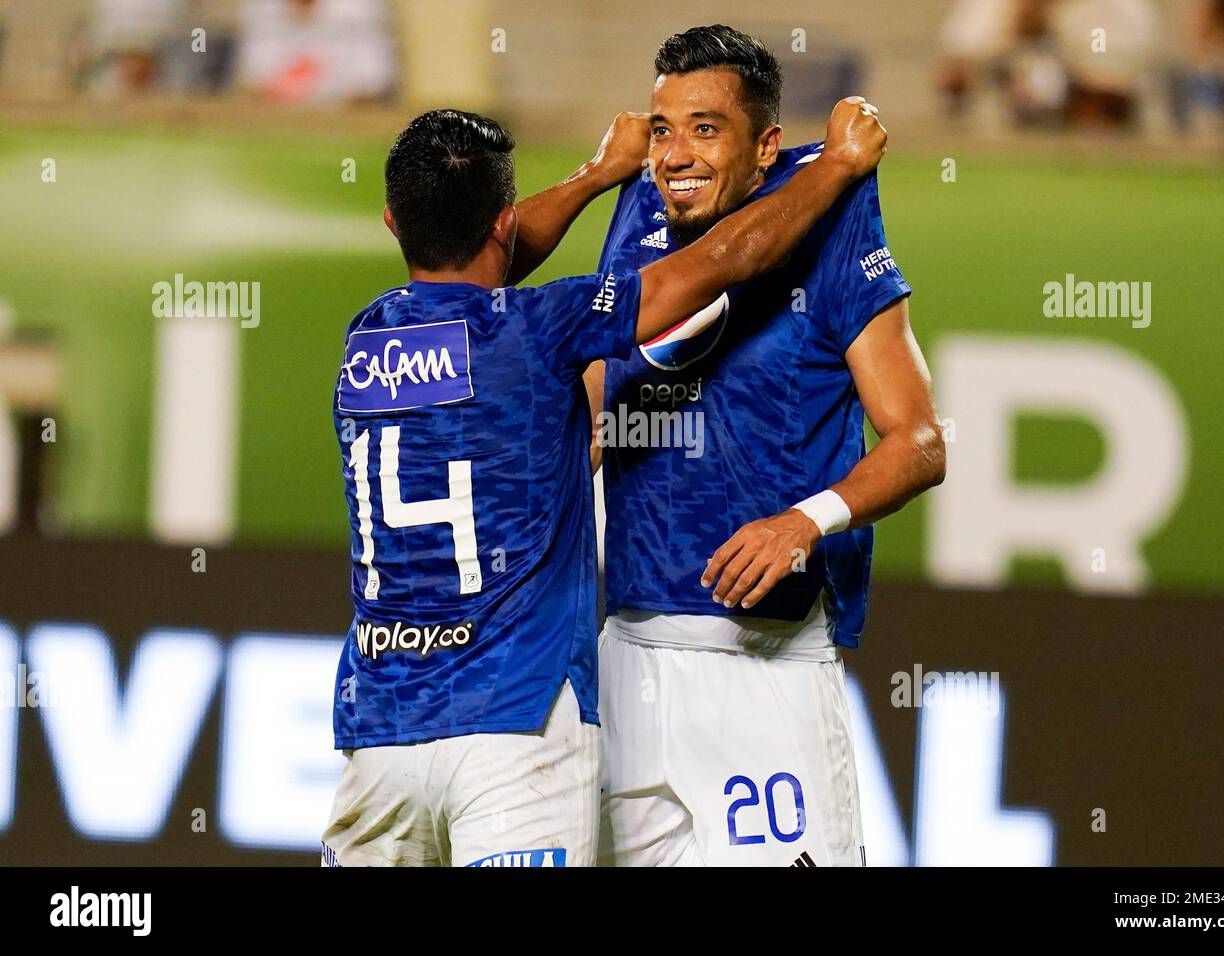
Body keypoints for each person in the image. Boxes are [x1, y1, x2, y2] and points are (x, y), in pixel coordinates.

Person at [320, 99, 888, 867]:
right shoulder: (540, 328)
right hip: (512, 724)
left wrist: (600, 173)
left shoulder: (366, 340)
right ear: (502, 221)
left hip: (379, 737)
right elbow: (726, 260)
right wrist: (838, 167)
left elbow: (477, 258)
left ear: (392, 223)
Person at [587, 25, 946, 867]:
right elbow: (596, 400)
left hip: (762, 669)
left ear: (766, 147)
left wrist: (806, 521)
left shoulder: (834, 222)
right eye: (664, 127)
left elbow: (921, 441)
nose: (676, 154)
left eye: (707, 129)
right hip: (623, 662)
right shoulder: (638, 210)